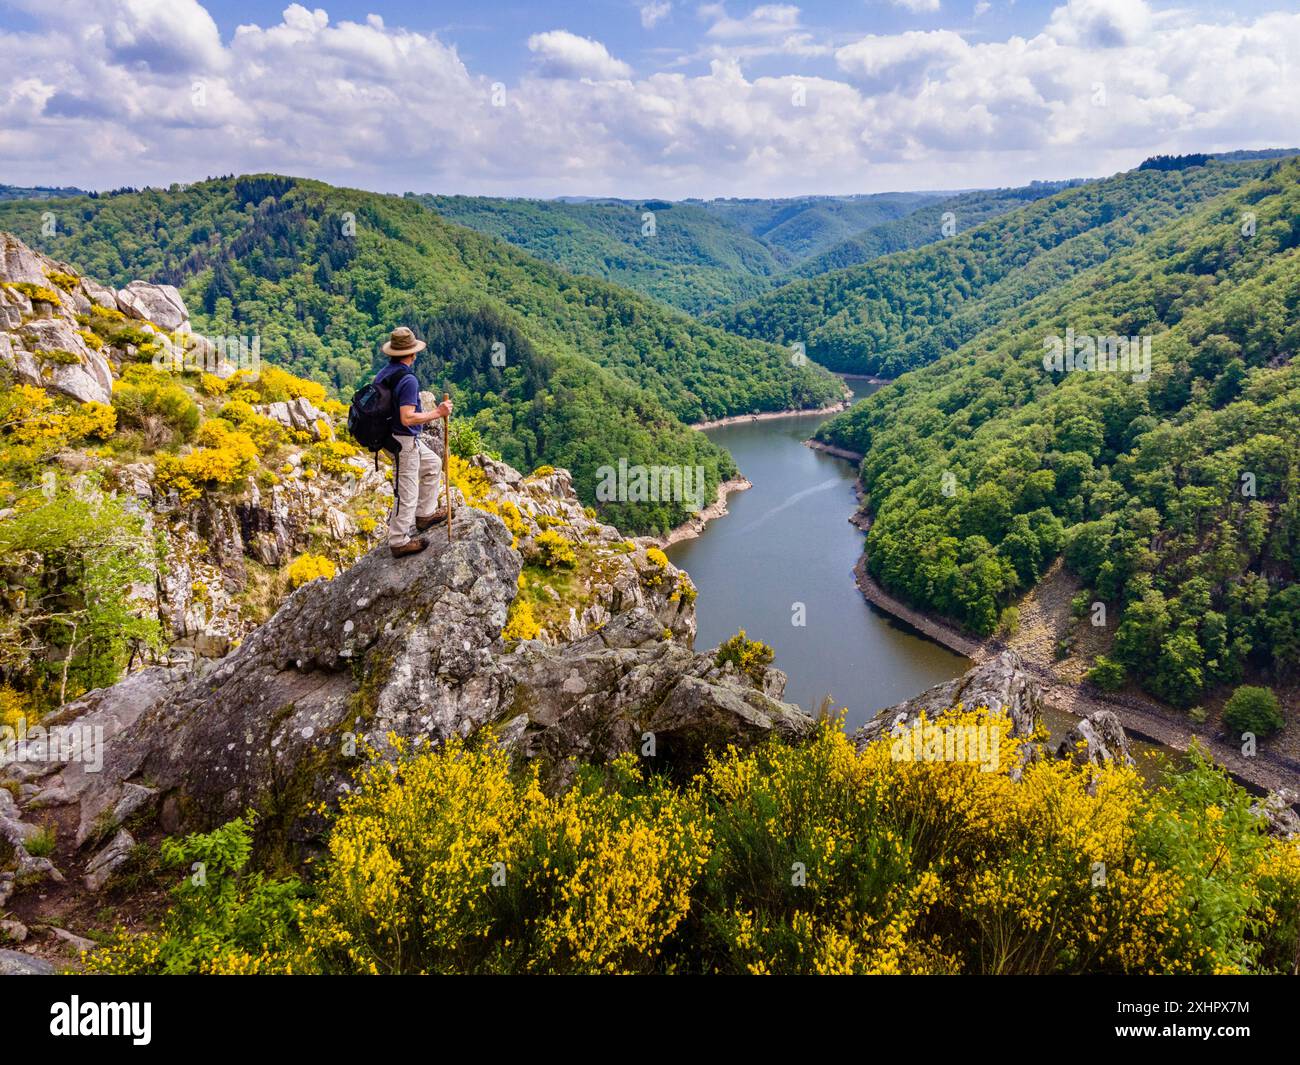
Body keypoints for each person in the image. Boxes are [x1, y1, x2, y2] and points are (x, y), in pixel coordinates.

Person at [375, 326, 453, 558]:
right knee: (407, 492)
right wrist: (438, 413)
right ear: (412, 353)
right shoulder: (408, 380)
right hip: (403, 440)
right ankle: (398, 541)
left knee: (432, 464)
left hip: (393, 436)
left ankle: (425, 515)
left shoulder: (385, 373)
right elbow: (407, 417)